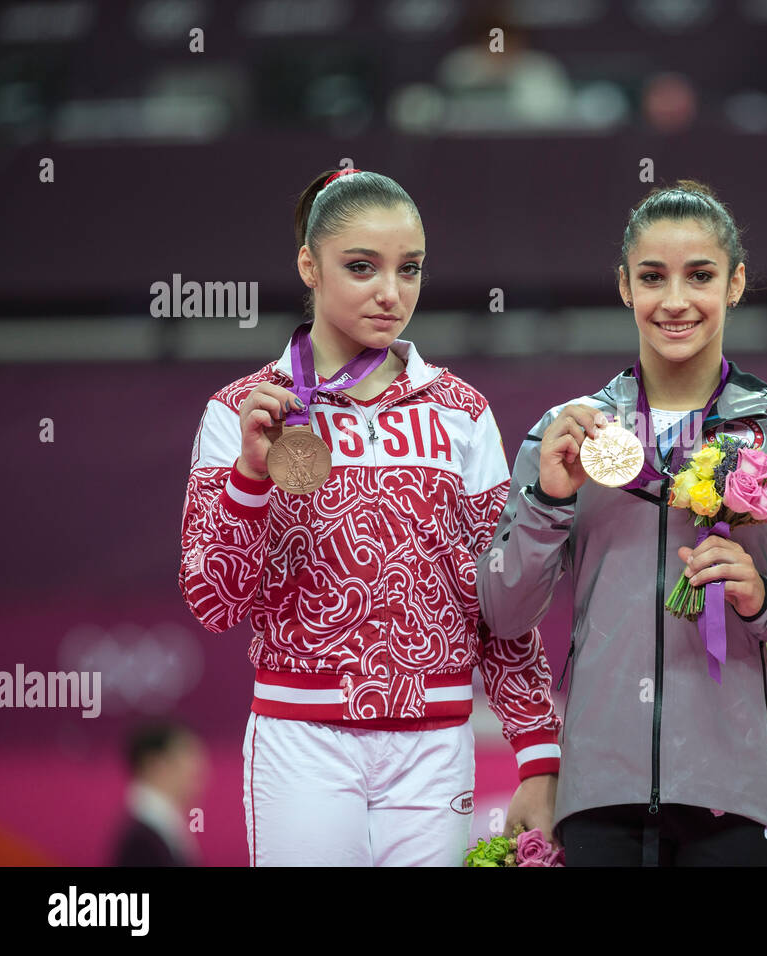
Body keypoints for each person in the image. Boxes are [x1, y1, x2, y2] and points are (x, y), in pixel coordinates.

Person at [477, 180, 767, 867]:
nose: (675, 301)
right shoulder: (569, 436)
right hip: (598, 797)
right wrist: (549, 500)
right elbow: (504, 612)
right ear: (625, 287)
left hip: (737, 799)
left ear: (736, 282)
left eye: (700, 276)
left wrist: (765, 601)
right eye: (653, 277)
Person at [180, 168, 560, 866]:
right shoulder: (239, 410)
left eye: (408, 269)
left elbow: (499, 599)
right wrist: (249, 476)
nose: (391, 293)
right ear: (309, 266)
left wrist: (537, 748)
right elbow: (213, 601)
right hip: (302, 739)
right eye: (362, 267)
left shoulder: (462, 412)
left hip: (435, 742)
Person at [111, 722, 208, 867]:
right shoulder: (140, 840)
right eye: (187, 757)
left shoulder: (165, 829)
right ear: (155, 765)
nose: (198, 768)